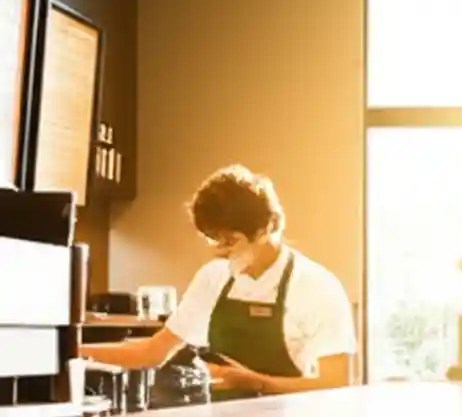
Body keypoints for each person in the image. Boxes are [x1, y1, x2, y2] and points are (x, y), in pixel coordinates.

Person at [83, 164, 357, 400]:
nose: (221, 250)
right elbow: (153, 352)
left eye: (231, 240)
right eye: (214, 239)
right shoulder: (213, 277)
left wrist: (257, 383)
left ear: (268, 227)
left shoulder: (316, 287)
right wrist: (70, 350)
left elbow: (334, 384)